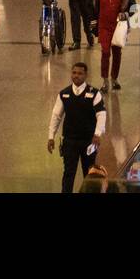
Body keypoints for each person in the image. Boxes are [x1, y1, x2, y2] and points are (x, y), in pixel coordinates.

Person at [47, 62, 106, 193]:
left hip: (88, 141)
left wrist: (97, 134)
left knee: (89, 174)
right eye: (74, 73)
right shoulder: (64, 94)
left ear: (86, 75)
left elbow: (101, 114)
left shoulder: (95, 94)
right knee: (69, 173)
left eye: (80, 73)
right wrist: (51, 137)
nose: (76, 76)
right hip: (70, 141)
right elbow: (56, 116)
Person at [93, 0, 135, 91]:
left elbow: (134, 6)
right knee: (105, 52)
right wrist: (93, 23)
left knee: (117, 53)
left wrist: (126, 14)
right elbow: (91, 7)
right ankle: (105, 80)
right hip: (103, 27)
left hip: (118, 28)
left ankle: (114, 79)